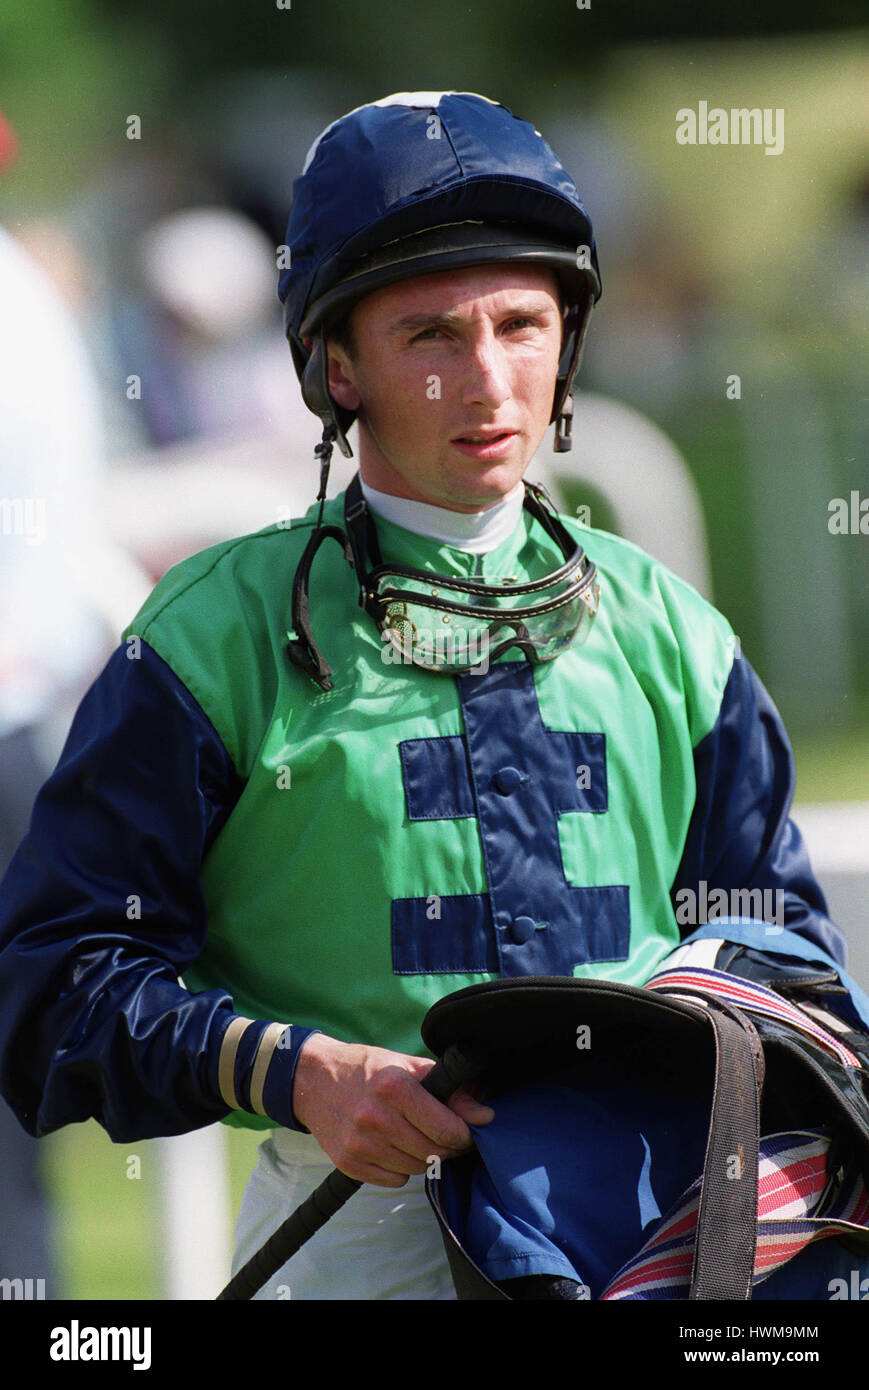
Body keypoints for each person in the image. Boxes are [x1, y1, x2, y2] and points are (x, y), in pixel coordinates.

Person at [0, 91, 855, 1302]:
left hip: (651, 1229)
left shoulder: (675, 633)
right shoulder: (208, 638)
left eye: (521, 322)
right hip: (353, 1233)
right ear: (335, 365)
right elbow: (55, 982)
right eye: (431, 336)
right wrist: (296, 1072)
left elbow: (788, 970)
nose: (489, 379)